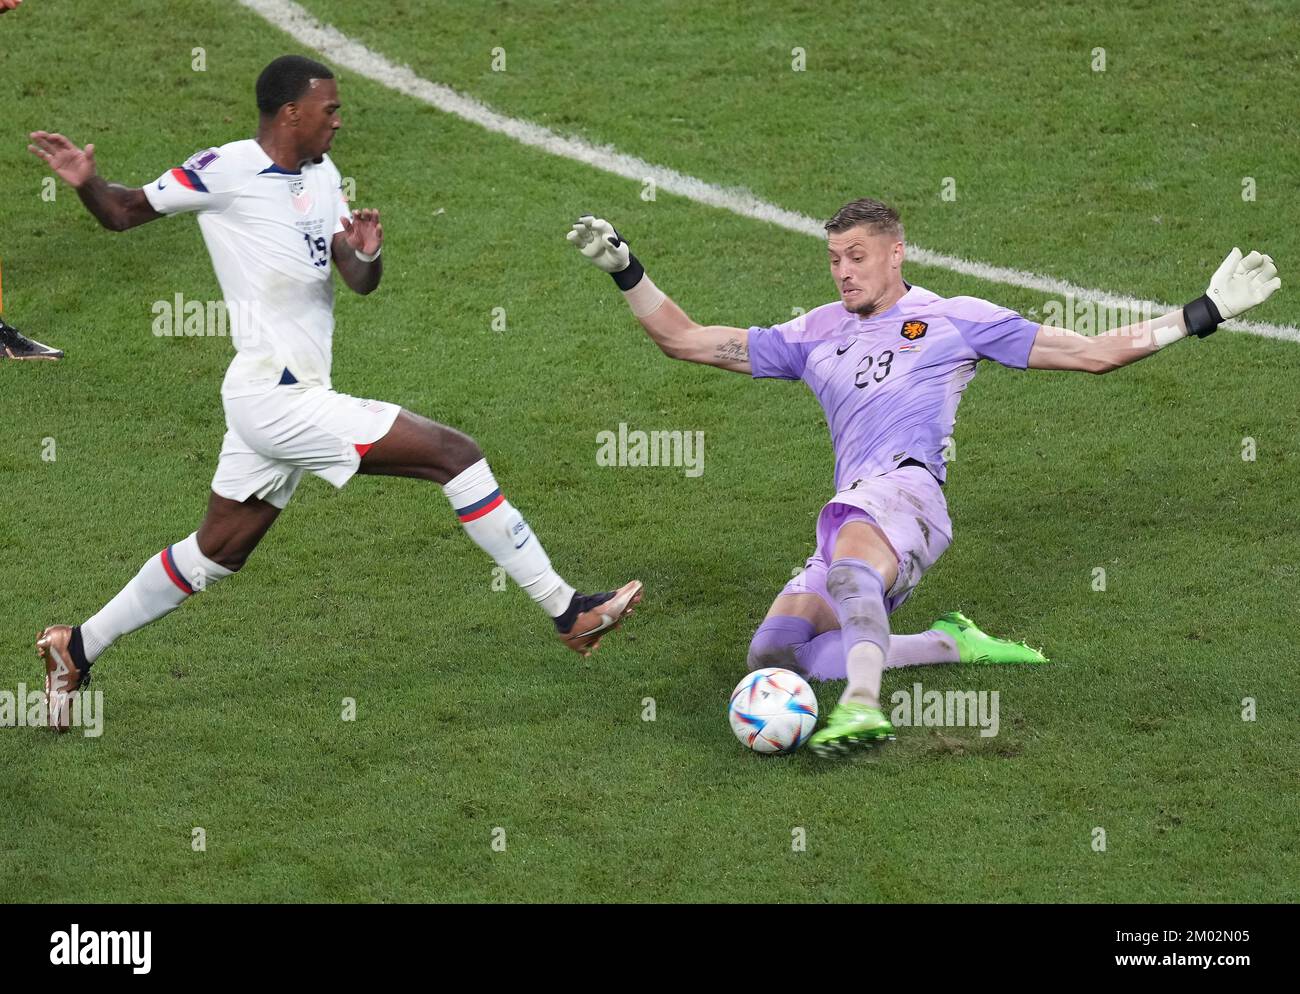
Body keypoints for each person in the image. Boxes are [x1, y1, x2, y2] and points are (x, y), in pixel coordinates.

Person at [30, 55, 642, 730]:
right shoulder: (223, 169)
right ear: (291, 112)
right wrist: (87, 182)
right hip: (275, 397)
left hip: (283, 394)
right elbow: (121, 212)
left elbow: (353, 278)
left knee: (217, 551)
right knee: (454, 455)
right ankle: (568, 610)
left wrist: (367, 252)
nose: (340, 121)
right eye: (331, 110)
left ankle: (76, 647)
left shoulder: (322, 178)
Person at [567, 200, 1279, 757]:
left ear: (896, 252)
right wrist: (627, 271)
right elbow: (686, 341)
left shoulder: (954, 321)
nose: (843, 271)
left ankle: (864, 704)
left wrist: (1202, 313)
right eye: (834, 259)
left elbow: (1093, 353)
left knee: (850, 567)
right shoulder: (813, 331)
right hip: (858, 509)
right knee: (774, 652)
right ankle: (949, 644)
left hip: (906, 496)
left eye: (857, 256)